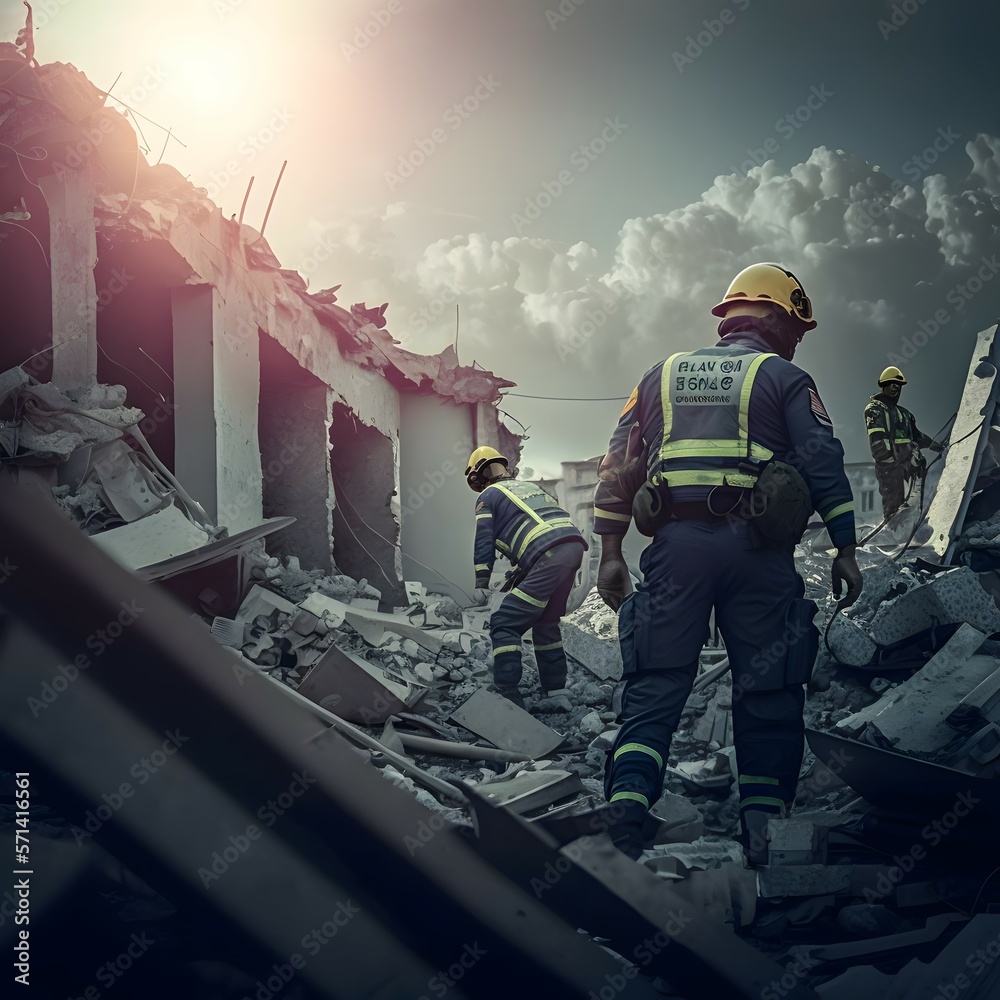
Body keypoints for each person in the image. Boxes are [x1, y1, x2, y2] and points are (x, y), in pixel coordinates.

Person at [592, 262, 863, 864]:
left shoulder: (659, 375)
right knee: (768, 685)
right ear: (774, 317)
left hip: (677, 548)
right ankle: (764, 832)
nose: (798, 336)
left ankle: (629, 808)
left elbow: (617, 466)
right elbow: (822, 460)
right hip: (757, 553)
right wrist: (845, 547)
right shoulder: (785, 375)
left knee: (656, 682)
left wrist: (611, 552)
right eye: (797, 323)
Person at [465, 446, 587, 709]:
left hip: (549, 553)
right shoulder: (529, 489)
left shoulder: (489, 495)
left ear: (480, 476)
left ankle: (507, 695)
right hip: (571, 548)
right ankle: (556, 692)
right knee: (546, 622)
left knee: (505, 621)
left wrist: (481, 582)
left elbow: (484, 537)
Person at [865, 366, 942, 520]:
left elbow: (917, 436)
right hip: (891, 467)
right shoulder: (875, 409)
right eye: (891, 384)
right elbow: (877, 439)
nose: (895, 388)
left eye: (898, 385)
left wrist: (938, 446)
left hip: (911, 464)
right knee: (894, 504)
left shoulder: (906, 414)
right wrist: (889, 461)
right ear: (883, 386)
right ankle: (892, 531)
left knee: (919, 499)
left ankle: (918, 523)